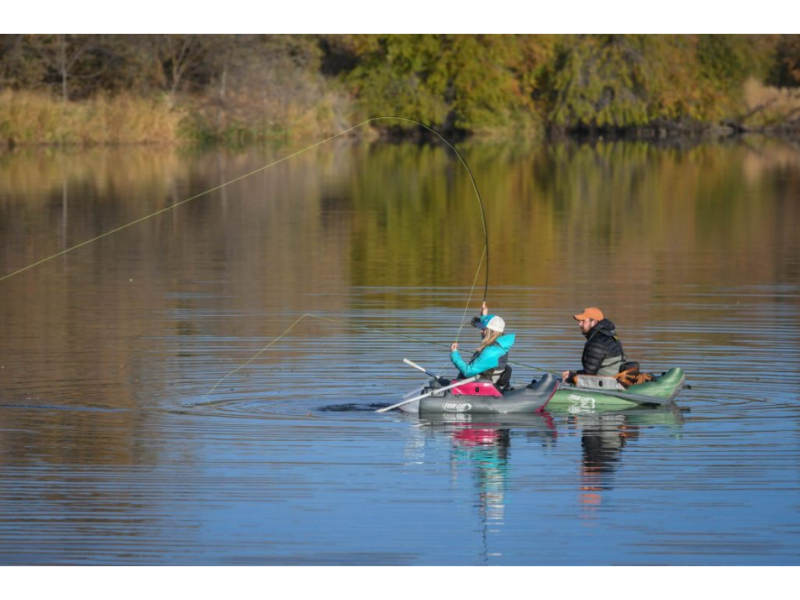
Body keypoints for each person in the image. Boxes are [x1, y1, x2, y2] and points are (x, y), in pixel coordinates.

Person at [451, 302, 515, 387]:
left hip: (485, 385)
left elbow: (468, 372)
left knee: (463, 373)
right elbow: (490, 337)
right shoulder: (500, 341)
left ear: (491, 332)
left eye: (484, 329)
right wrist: (484, 316)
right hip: (489, 380)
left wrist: (454, 354)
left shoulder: (491, 352)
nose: (481, 331)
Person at [562, 307, 626, 384]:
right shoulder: (609, 335)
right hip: (614, 380)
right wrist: (574, 374)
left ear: (594, 322)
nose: (580, 324)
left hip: (606, 385)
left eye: (583, 321)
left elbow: (588, 375)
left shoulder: (596, 342)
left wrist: (571, 377)